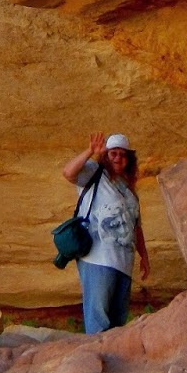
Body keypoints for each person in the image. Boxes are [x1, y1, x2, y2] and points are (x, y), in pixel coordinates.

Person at [61, 131, 149, 334]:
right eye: (113, 154)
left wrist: (144, 256)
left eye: (123, 154)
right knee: (98, 317)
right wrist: (90, 152)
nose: (118, 158)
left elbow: (137, 226)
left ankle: (112, 361)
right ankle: (94, 358)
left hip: (123, 262)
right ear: (106, 156)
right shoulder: (94, 173)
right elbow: (68, 173)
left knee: (118, 319)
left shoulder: (129, 189)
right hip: (98, 258)